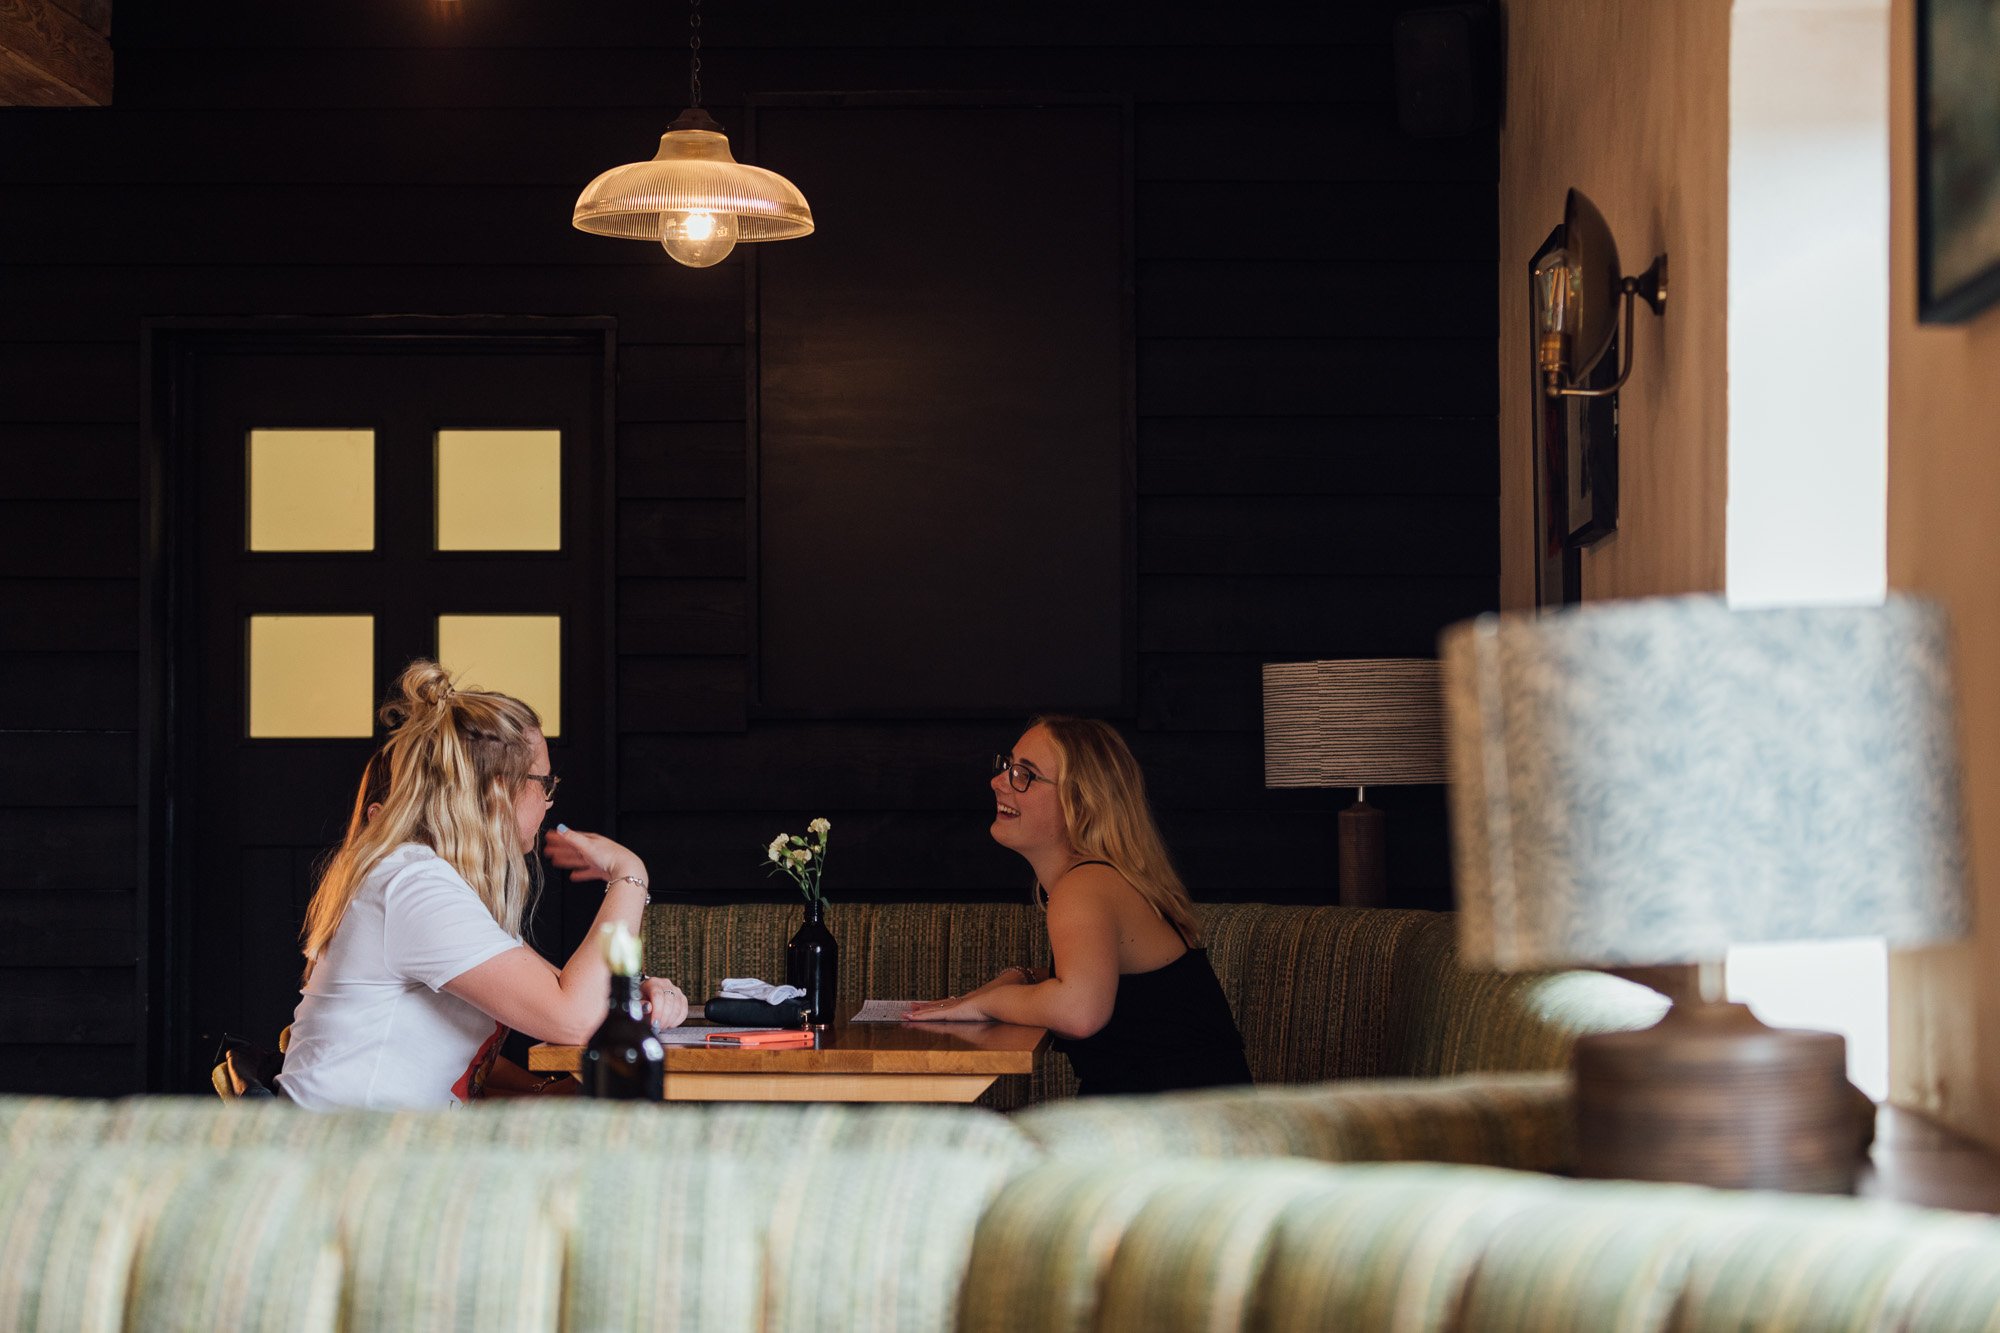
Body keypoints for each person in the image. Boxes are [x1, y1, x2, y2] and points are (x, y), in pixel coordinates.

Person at [278, 660, 688, 1110]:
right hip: (345, 1144)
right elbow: (576, 1018)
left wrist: (637, 994)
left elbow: (572, 993)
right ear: (498, 791)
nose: (550, 801)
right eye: (545, 783)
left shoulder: (438, 882)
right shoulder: (415, 886)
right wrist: (629, 874)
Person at [907, 716, 1252, 1096]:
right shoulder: (1101, 879)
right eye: (1008, 766)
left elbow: (1079, 1013)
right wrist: (1023, 976)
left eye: (1024, 775)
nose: (998, 782)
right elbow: (1130, 994)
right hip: (1184, 1113)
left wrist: (987, 1004)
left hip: (1178, 1125)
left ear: (1081, 803)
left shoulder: (1084, 887)